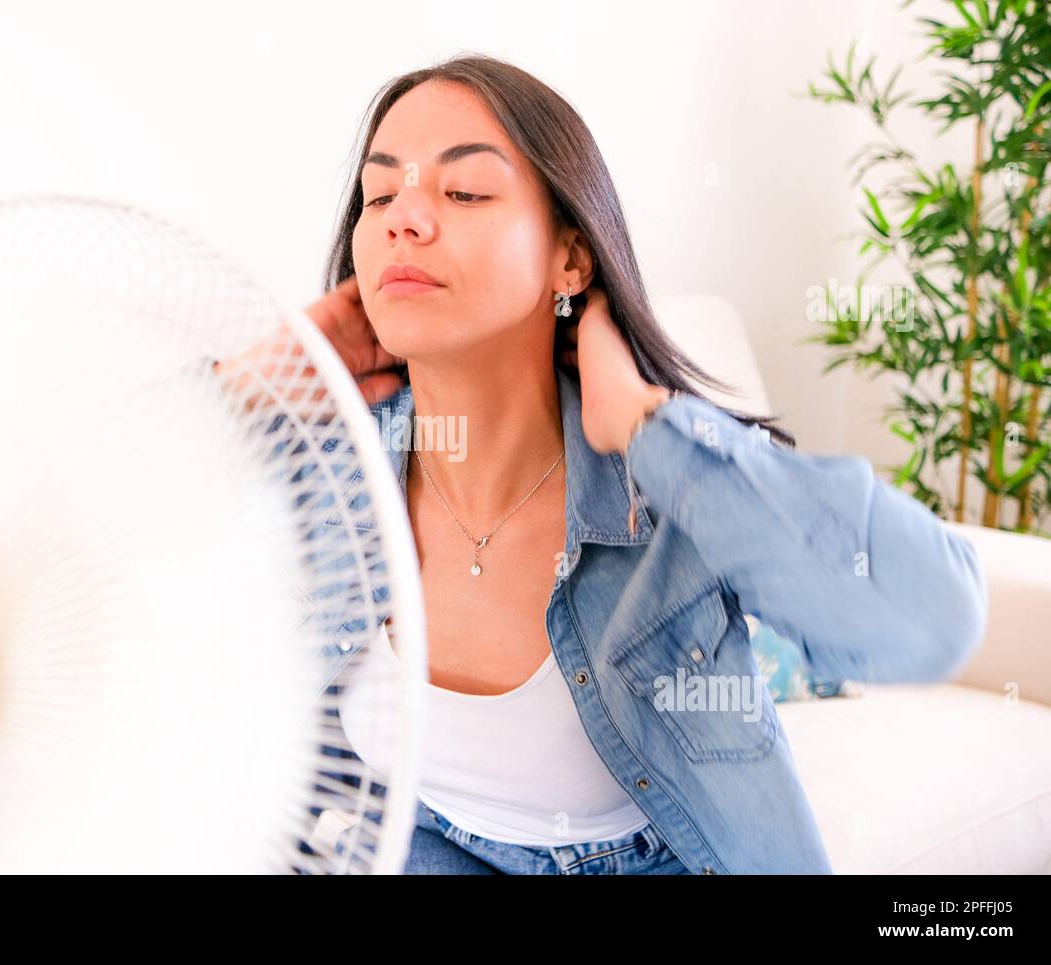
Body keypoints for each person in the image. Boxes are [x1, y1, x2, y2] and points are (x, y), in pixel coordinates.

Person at [220, 54, 988, 875]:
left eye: (464, 191)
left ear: (571, 261)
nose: (404, 219)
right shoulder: (330, 471)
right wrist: (246, 392)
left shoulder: (662, 478)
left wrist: (645, 424)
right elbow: (86, 556)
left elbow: (934, 621)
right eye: (380, 197)